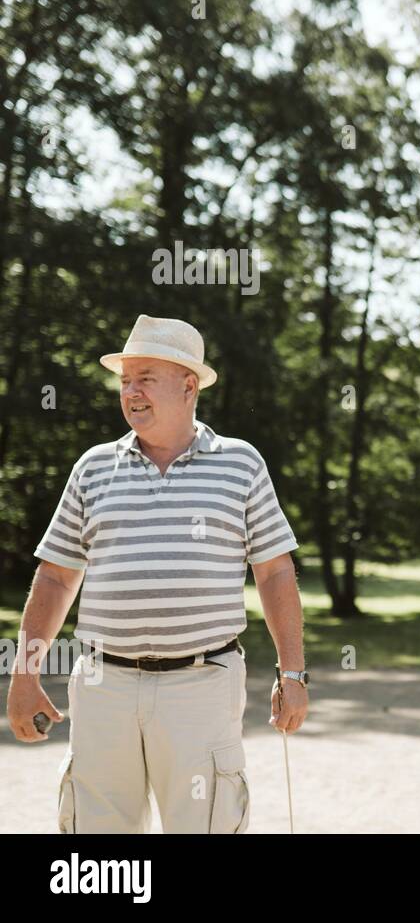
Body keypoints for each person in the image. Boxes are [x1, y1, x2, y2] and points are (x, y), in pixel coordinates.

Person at [5, 314, 310, 833]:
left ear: (188, 385)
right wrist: (24, 672)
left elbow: (276, 572)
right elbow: (56, 578)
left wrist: (294, 673)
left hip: (203, 685)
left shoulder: (241, 464)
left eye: (145, 377)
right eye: (125, 382)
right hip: (103, 688)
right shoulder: (93, 468)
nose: (131, 392)